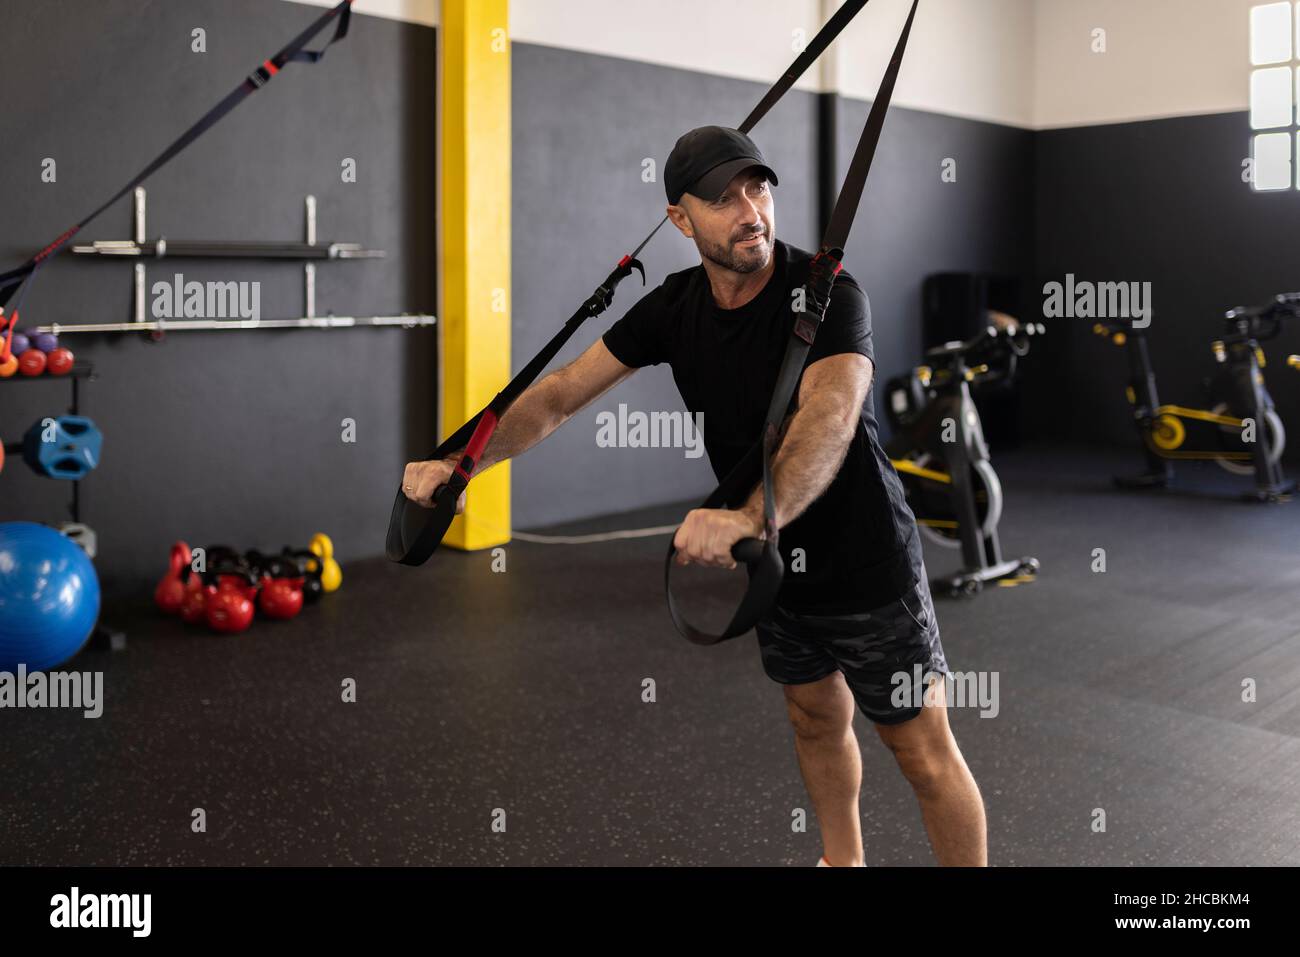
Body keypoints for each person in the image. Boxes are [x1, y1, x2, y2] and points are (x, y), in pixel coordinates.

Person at [403, 126, 987, 867]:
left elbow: (831, 417)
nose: (751, 211)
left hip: (865, 563)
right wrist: (462, 462)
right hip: (779, 573)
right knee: (812, 717)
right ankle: (843, 861)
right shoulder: (674, 308)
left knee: (922, 752)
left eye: (758, 187)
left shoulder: (828, 292)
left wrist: (750, 516)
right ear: (680, 219)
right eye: (722, 198)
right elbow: (556, 396)